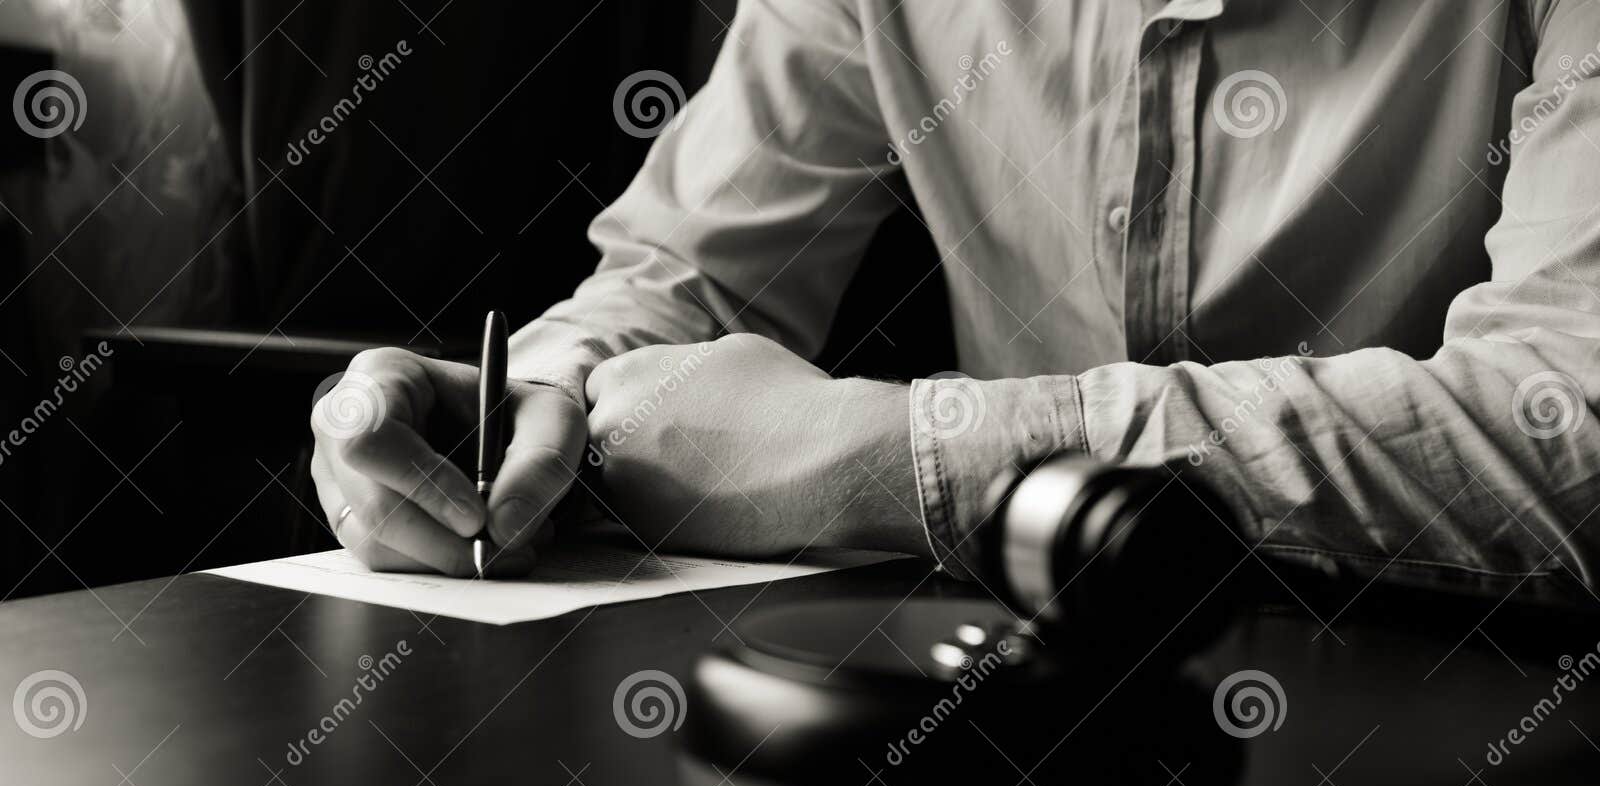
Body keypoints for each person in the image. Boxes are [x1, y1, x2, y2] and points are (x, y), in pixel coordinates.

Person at [310, 0, 1600, 608]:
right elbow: (672, 283)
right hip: (1004, 738)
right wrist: (525, 409)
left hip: (1467, 726)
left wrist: (894, 458)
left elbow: (1571, 428)